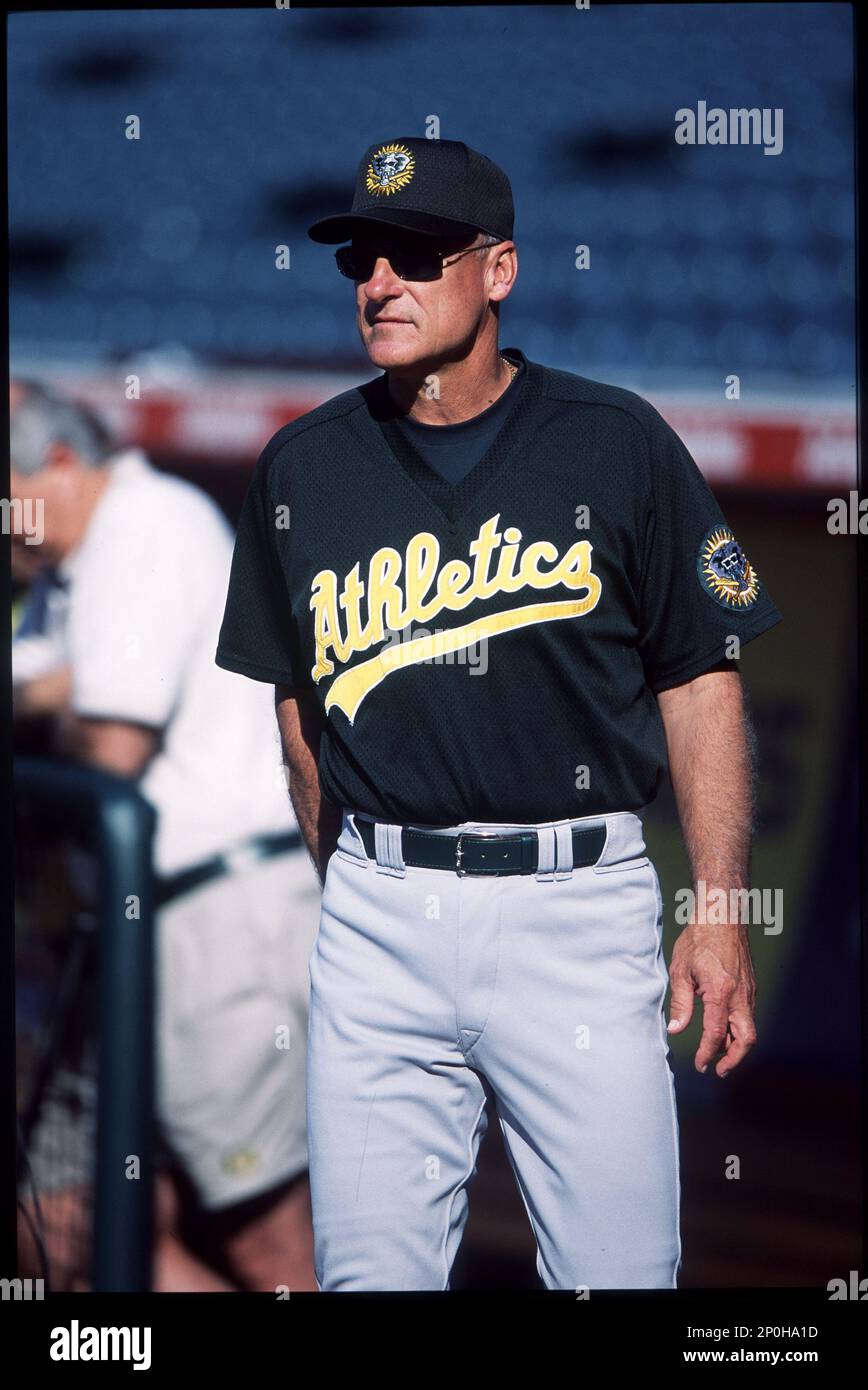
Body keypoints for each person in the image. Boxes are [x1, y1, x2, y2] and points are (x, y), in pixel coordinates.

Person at [215, 136, 783, 1291]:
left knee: (619, 1276)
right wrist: (358, 885)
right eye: (362, 258)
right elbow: (297, 709)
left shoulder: (614, 441)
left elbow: (699, 678)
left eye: (418, 254)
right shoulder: (300, 467)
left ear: (499, 270)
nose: (381, 282)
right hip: (378, 916)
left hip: (576, 914)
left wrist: (719, 908)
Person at [10, 382, 322, 1291]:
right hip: (128, 936)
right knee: (60, 1224)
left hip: (219, 917)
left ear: (59, 464)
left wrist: (45, 701)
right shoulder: (62, 570)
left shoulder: (144, 525)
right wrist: (47, 694)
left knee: (266, 1241)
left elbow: (111, 747)